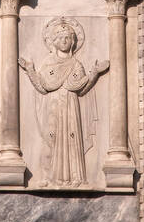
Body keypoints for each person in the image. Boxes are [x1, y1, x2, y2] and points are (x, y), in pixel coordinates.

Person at [20, 17, 108, 187]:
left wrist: (95, 72)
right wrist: (30, 70)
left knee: (72, 140)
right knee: (50, 140)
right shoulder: (48, 63)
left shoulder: (76, 64)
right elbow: (42, 87)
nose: (64, 41)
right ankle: (48, 177)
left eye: (68, 38)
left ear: (73, 42)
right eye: (60, 38)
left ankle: (75, 177)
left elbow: (80, 88)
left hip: (70, 105)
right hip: (52, 107)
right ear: (53, 41)